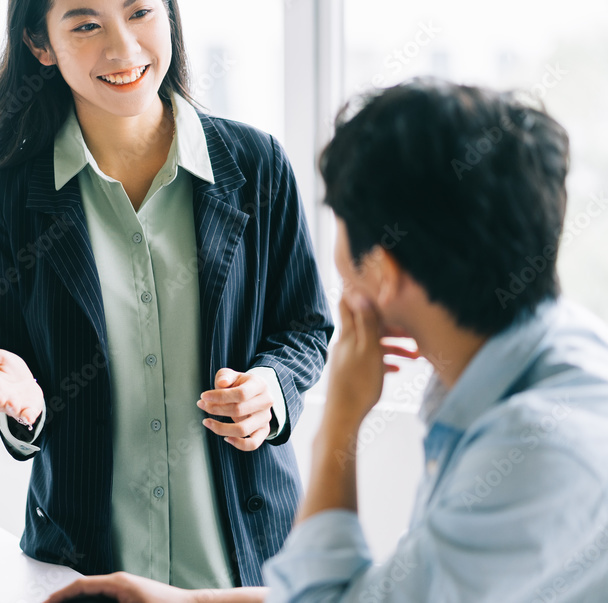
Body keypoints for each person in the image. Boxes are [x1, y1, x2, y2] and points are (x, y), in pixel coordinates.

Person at [46, 80, 608, 602]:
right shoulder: (545, 358)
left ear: (383, 271)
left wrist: (340, 417)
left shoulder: (538, 450)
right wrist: (185, 602)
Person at [0, 0, 333, 589]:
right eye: (86, 26)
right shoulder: (9, 200)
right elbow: (3, 370)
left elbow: (305, 326)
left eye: (139, 12)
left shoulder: (255, 165)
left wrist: (271, 390)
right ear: (40, 45)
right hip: (86, 573)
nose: (123, 48)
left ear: (169, 14)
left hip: (244, 570)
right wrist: (21, 409)